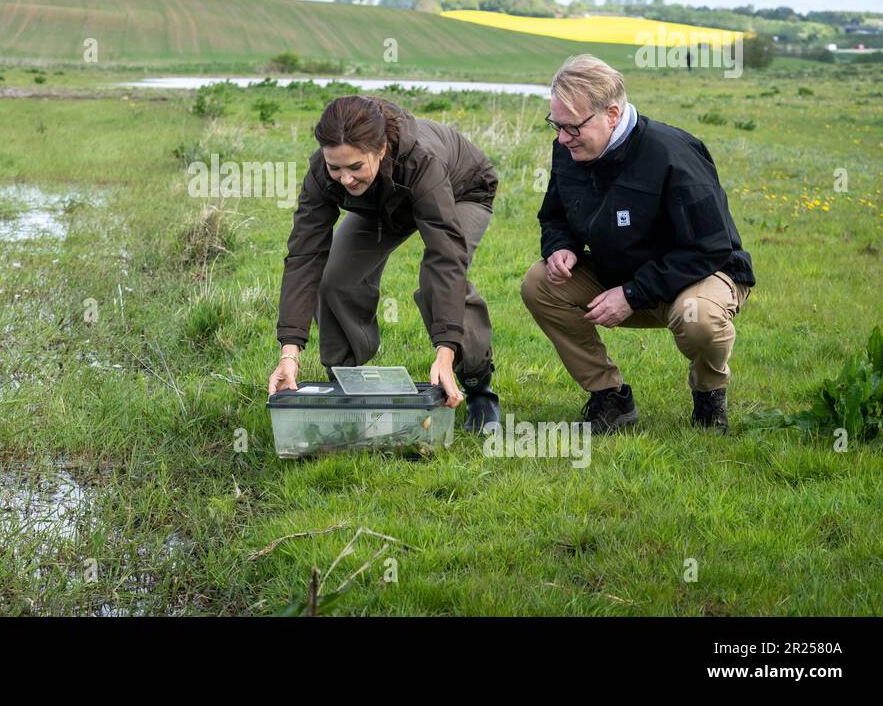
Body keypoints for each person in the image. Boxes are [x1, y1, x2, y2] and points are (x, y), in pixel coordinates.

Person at [520, 54, 755, 433]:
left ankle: (710, 398)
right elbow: (555, 214)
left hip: (701, 276)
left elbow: (709, 248)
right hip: (625, 276)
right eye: (556, 125)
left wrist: (632, 293)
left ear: (612, 114)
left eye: (572, 127)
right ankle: (609, 398)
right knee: (540, 283)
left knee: (700, 316)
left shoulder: (672, 154)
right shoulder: (570, 149)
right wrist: (560, 246)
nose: (562, 138)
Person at [267, 94, 501, 432]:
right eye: (336, 167)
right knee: (335, 278)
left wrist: (445, 350)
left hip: (462, 189)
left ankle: (479, 387)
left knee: (438, 285)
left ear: (380, 150)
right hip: (382, 203)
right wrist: (289, 353)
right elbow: (305, 256)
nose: (345, 179)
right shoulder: (322, 172)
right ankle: (346, 383)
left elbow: (446, 259)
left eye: (355, 167)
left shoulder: (421, 160)